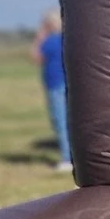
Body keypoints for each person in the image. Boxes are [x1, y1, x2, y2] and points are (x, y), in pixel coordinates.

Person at [29, 9, 72, 172]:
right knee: (70, 120)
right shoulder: (68, 38)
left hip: (55, 85)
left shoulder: (50, 41)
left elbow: (35, 57)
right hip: (69, 84)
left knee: (60, 121)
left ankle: (67, 158)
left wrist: (39, 37)